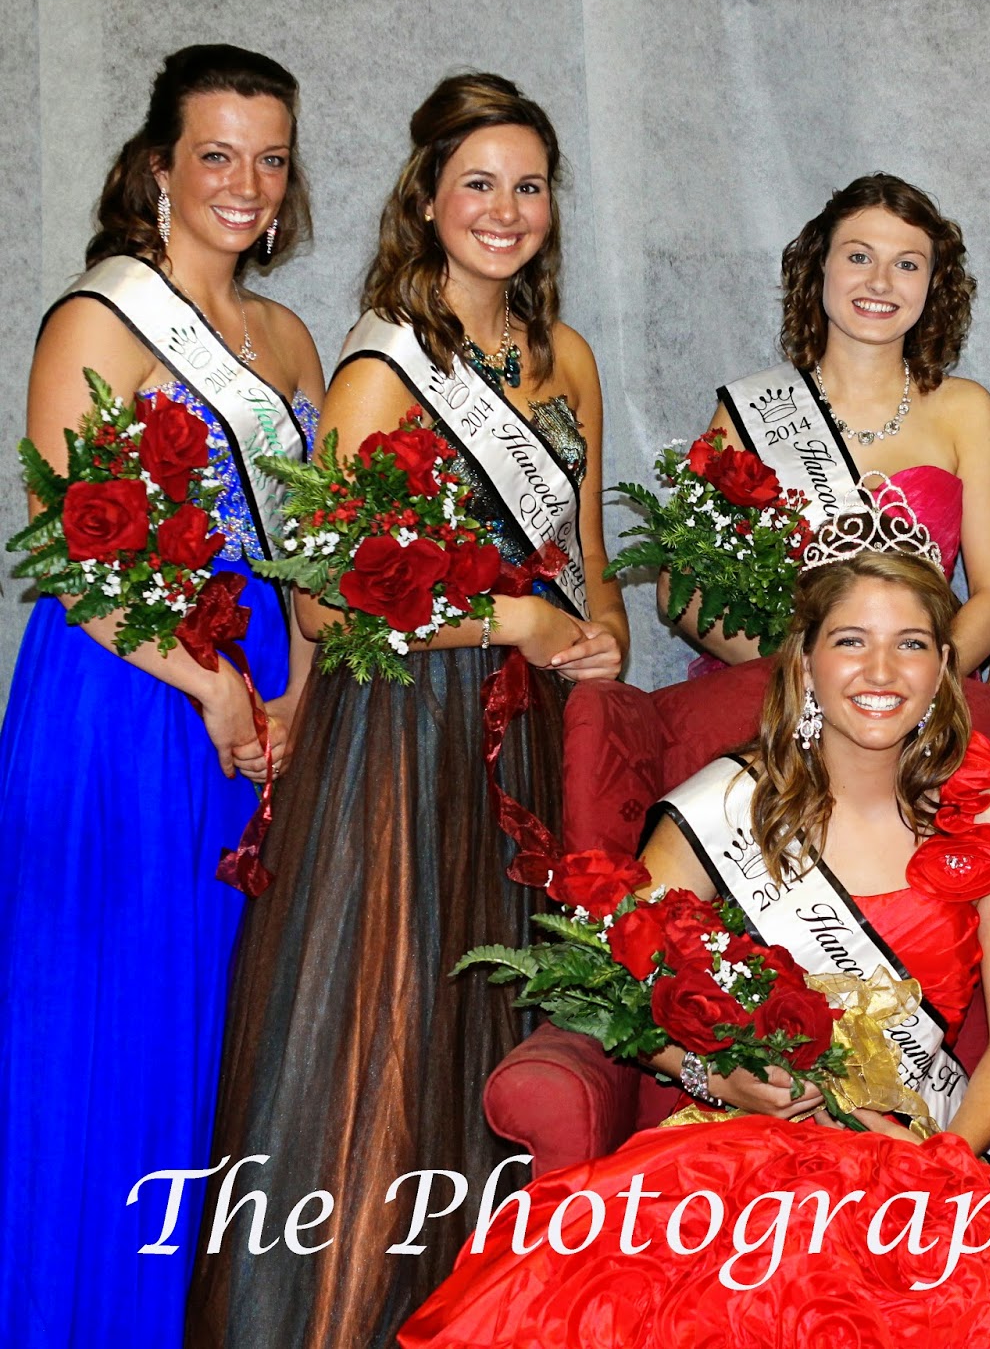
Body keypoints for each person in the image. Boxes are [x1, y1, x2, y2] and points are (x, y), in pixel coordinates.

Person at [399, 493, 990, 1349]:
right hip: (742, 1149)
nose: (880, 672)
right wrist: (716, 1079)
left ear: (943, 669)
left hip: (928, 1151)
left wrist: (942, 1165)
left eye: (910, 644)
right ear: (805, 665)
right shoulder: (731, 802)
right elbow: (624, 985)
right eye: (851, 641)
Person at [187, 73, 627, 1348]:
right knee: (385, 1039)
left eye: (529, 185)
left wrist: (596, 635)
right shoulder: (383, 365)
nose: (505, 210)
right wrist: (517, 623)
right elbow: (322, 608)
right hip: (395, 741)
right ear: (426, 198)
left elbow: (583, 567)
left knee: (507, 1049)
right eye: (477, 183)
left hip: (529, 745)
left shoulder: (569, 362)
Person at [0, 44, 322, 1348]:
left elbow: (309, 552)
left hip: (254, 705)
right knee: (103, 1033)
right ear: (158, 167)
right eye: (218, 153)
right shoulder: (101, 316)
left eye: (272, 156)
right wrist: (211, 686)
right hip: (127, 696)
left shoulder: (289, 337)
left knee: (210, 1035)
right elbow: (62, 542)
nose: (246, 183)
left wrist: (296, 691)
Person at [664, 173, 990, 676]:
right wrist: (806, 685)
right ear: (819, 266)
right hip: (774, 694)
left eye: (907, 264)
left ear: (933, 284)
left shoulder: (967, 410)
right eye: (858, 257)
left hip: (926, 698)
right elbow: (681, 585)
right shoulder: (752, 408)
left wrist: (918, 685)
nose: (880, 281)